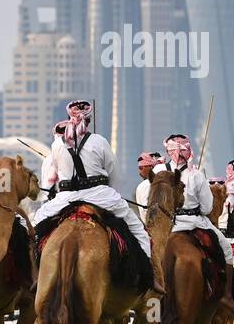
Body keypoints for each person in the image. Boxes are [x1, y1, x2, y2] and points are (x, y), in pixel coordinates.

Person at [32, 100, 153, 273]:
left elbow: (55, 176)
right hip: (99, 195)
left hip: (65, 199)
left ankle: (34, 272)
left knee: (36, 227)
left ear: (69, 118)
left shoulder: (57, 145)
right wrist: (112, 193)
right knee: (138, 229)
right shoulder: (99, 141)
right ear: (88, 121)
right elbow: (114, 173)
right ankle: (149, 272)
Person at [152, 134, 234, 291]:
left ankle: (145, 288)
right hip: (193, 222)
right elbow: (207, 207)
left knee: (144, 246)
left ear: (168, 151)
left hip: (164, 225)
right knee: (226, 249)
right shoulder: (196, 173)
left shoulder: (158, 170)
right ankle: (227, 295)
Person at [133, 150, 163, 221]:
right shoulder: (147, 184)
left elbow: (148, 210)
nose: (139, 172)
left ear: (151, 167)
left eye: (141, 168)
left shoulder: (147, 184)